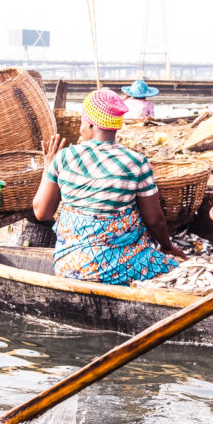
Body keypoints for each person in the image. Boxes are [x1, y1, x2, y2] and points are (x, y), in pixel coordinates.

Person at [32, 88, 184, 284]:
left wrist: (48, 168)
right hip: (123, 268)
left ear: (90, 124)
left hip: (69, 266)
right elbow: (155, 220)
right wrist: (168, 247)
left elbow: (41, 212)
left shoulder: (63, 157)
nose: (80, 129)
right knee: (179, 271)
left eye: (81, 123)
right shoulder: (136, 162)